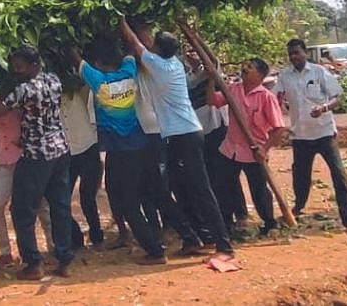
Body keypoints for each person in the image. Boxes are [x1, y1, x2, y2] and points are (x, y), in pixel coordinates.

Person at [121, 19, 233, 257]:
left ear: (158, 50)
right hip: (179, 134)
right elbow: (143, 41)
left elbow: (134, 41)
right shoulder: (174, 64)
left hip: (184, 135)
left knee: (200, 188)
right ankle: (192, 238)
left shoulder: (158, 65)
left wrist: (121, 19)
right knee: (170, 189)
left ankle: (223, 243)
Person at [71, 36, 167, 265]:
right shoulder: (128, 72)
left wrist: (72, 45)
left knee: (129, 203)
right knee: (128, 192)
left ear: (98, 63)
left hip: (121, 151)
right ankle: (152, 237)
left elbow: (75, 57)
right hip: (137, 147)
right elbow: (130, 53)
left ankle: (155, 251)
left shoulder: (98, 82)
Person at [0, 46, 75, 280]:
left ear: (34, 65)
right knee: (60, 206)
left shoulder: (23, 90)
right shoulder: (54, 80)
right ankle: (64, 258)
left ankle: (33, 263)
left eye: (19, 67)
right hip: (60, 150)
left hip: (36, 155)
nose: (16, 71)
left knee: (22, 210)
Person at [276, 39, 347, 234]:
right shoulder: (285, 76)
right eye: (291, 54)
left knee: (338, 174)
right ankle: (299, 206)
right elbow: (275, 96)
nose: (294, 57)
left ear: (305, 52)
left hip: (324, 132)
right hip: (300, 134)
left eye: (297, 52)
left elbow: (338, 97)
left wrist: (324, 108)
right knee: (300, 175)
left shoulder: (319, 72)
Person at [0, 75, 54, 269]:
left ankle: (52, 246)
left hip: (26, 159)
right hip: (6, 160)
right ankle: (5, 252)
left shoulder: (20, 98)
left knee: (41, 206)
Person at [219, 58, 286, 236]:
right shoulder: (233, 89)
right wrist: (212, 80)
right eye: (245, 66)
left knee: (259, 189)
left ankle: (269, 222)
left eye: (250, 67)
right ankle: (226, 224)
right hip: (231, 148)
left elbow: (278, 128)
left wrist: (264, 148)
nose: (244, 69)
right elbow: (214, 101)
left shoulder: (266, 97)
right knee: (225, 186)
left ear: (260, 75)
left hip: (254, 151)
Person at [185, 48, 247, 230]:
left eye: (193, 51)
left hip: (218, 125)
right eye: (187, 52)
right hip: (199, 127)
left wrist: (197, 43)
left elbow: (212, 60)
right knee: (212, 174)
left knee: (227, 173)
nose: (191, 55)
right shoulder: (188, 77)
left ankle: (240, 213)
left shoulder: (211, 71)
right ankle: (223, 214)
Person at [59, 81, 102, 250]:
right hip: (66, 152)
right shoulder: (48, 96)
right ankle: (75, 237)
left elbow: (84, 76)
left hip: (88, 146)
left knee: (88, 197)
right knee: (61, 199)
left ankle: (97, 236)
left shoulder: (79, 90)